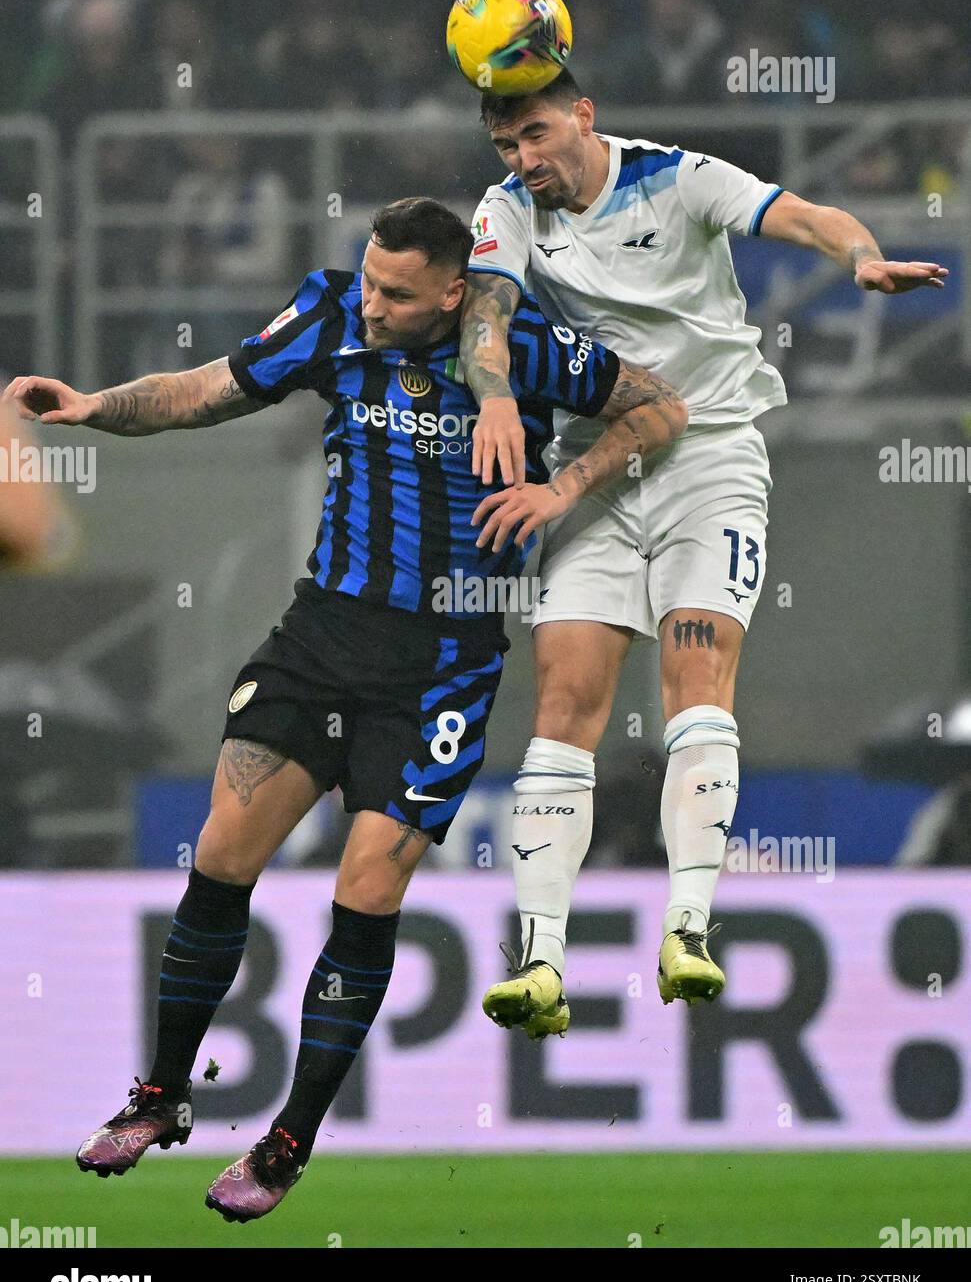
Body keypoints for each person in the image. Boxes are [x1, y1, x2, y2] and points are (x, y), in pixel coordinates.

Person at [5, 196, 686, 1222]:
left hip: (442, 663)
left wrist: (564, 487)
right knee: (223, 850)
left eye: (397, 294)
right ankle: (160, 1094)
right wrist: (94, 406)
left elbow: (659, 407)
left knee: (365, 892)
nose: (371, 304)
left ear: (453, 294)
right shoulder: (328, 315)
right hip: (320, 636)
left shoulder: (523, 348)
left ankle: (286, 1142)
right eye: (368, 280)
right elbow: (205, 391)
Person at [459, 68, 947, 1033]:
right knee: (563, 696)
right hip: (592, 463)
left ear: (583, 115)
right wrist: (499, 395)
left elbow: (806, 217)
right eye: (507, 145)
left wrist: (862, 257)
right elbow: (485, 311)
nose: (526, 160)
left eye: (537, 135)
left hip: (711, 455)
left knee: (697, 669)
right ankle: (542, 957)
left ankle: (687, 926)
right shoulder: (509, 207)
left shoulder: (676, 178)